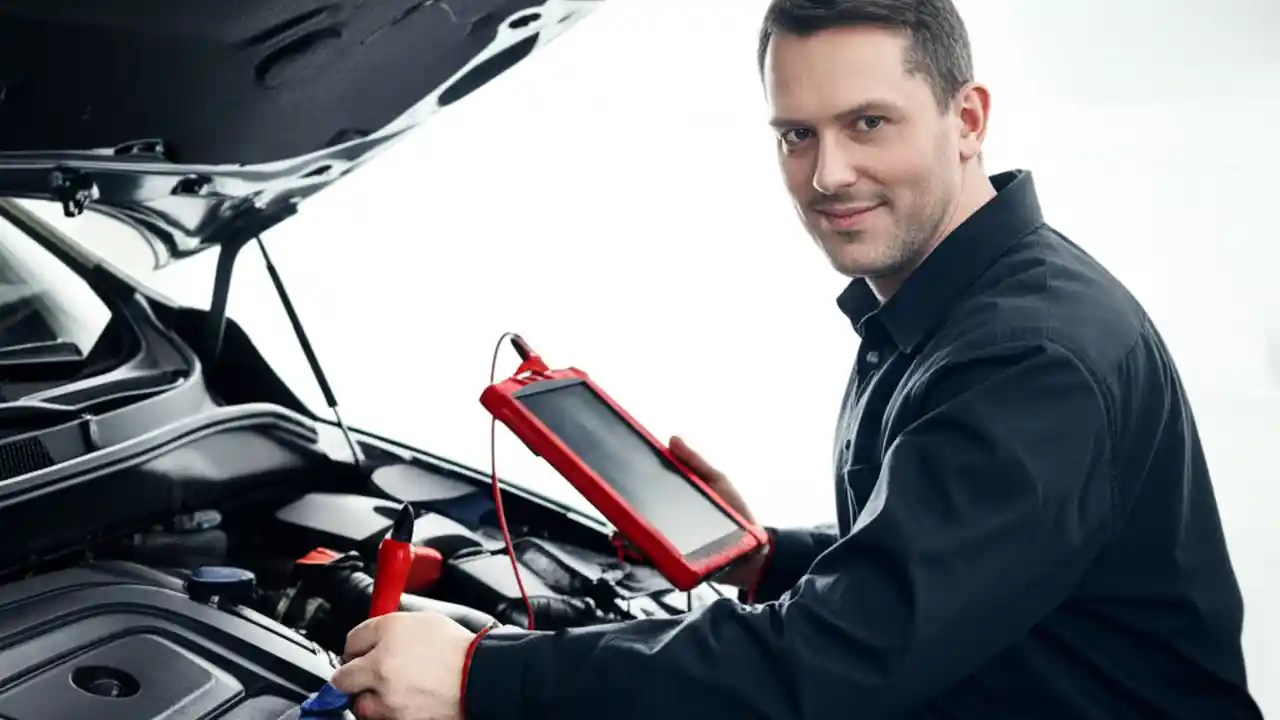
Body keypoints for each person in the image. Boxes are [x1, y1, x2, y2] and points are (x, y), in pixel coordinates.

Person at [329, 1, 1263, 718]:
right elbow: (945, 567)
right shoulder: (967, 300)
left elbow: (832, 668)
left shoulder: (1029, 356)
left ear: (967, 117)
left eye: (869, 124)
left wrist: (482, 681)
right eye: (796, 134)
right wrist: (768, 560)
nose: (826, 176)